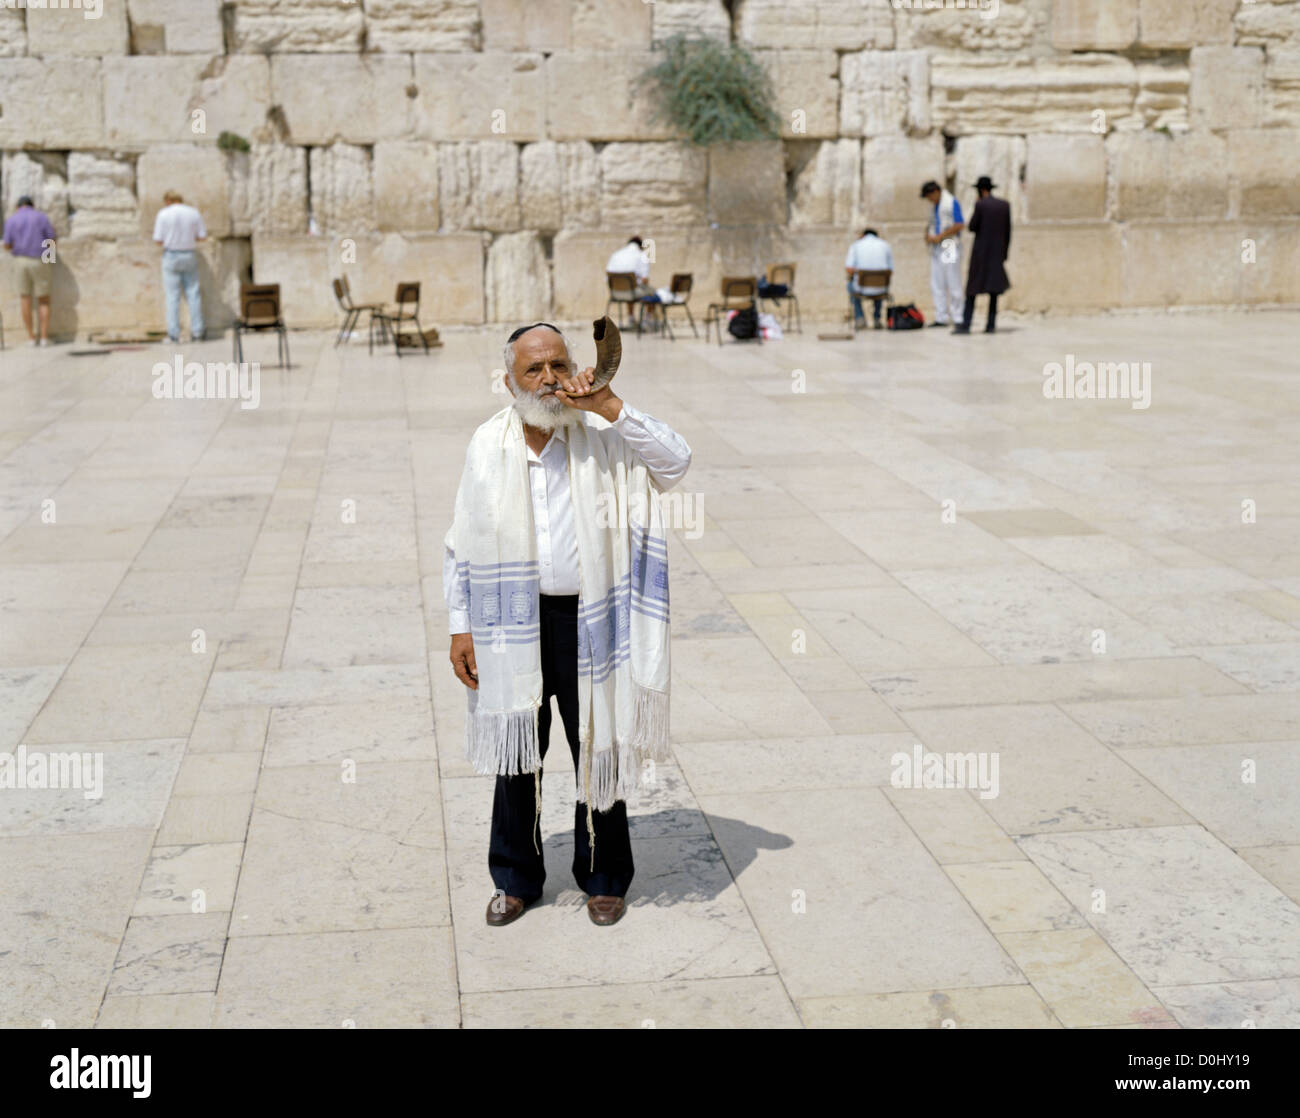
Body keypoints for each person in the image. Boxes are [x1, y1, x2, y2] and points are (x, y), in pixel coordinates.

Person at [443, 322, 691, 928]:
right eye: (534, 370)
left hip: (591, 620)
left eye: (558, 365)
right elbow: (461, 541)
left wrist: (606, 402)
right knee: (516, 757)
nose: (548, 380)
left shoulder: (601, 433)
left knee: (597, 744)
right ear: (510, 382)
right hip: (513, 626)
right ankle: (515, 879)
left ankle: (604, 878)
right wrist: (460, 626)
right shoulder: (488, 444)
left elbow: (676, 462)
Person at [954, 175, 1011, 335]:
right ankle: (990, 325)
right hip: (997, 254)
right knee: (994, 291)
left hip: (980, 254)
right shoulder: (1004, 206)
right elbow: (1008, 233)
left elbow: (972, 226)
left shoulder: (981, 206)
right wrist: (1004, 254)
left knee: (972, 290)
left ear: (981, 190)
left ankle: (966, 324)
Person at [152, 190, 207, 343]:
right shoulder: (193, 213)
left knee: (172, 296)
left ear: (168, 200)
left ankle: (173, 334)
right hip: (189, 254)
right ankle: (197, 332)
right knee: (193, 294)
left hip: (171, 255)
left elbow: (158, 240)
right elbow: (202, 236)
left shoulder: (163, 214)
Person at [3, 196, 57, 346]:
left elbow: (6, 245)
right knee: (44, 299)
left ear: (18, 206)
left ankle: (31, 338)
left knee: (25, 298)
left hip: (20, 260)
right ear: (32, 205)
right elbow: (51, 239)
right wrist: (50, 259)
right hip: (40, 259)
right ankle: (45, 337)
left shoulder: (12, 220)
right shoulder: (41, 217)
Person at [920, 180, 965, 328]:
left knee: (953, 280)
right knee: (937, 282)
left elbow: (959, 224)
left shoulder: (951, 202)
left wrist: (941, 236)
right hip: (936, 247)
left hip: (949, 244)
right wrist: (928, 236)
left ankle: (958, 316)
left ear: (935, 192)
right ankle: (941, 316)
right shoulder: (935, 206)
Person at [844, 227, 893, 330]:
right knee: (878, 283)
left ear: (863, 235)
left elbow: (848, 269)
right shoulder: (885, 245)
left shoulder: (856, 245)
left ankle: (859, 318)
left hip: (861, 287)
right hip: (881, 288)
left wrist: (860, 272)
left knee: (850, 285)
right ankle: (877, 318)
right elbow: (890, 270)